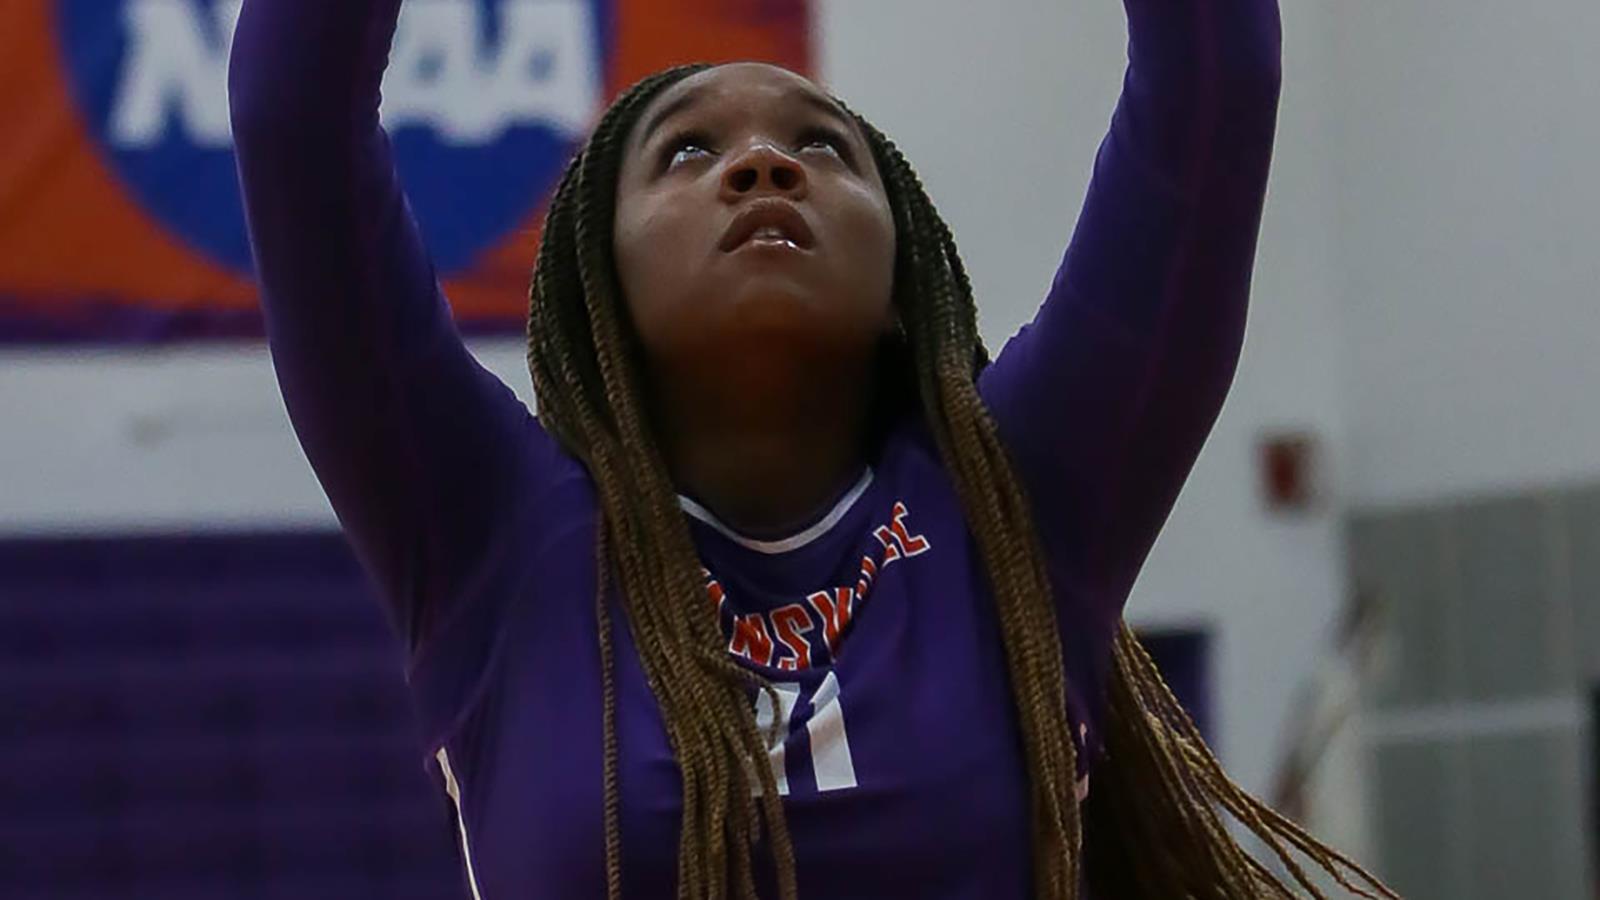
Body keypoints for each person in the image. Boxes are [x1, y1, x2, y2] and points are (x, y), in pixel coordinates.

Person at [229, 1, 1394, 897]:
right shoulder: (492, 538)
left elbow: (1213, 77)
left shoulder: (1024, 502)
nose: (761, 165)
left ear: (901, 276)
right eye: (687, 153)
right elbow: (293, 118)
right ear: (599, 288)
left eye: (824, 149)